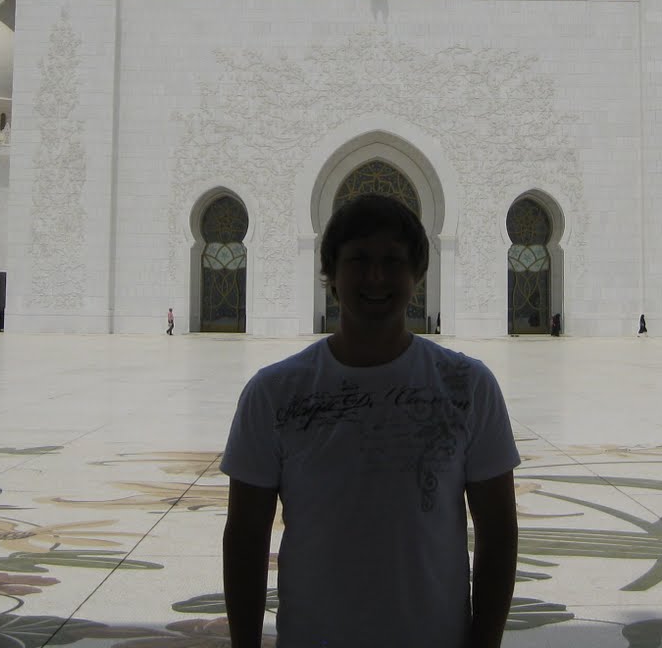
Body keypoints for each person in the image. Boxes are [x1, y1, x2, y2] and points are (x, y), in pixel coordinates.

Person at [221, 194, 519, 648]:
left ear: (417, 276)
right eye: (358, 259)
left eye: (392, 261)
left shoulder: (468, 387)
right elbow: (246, 535)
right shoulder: (275, 393)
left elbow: (498, 531)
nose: (376, 276)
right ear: (331, 276)